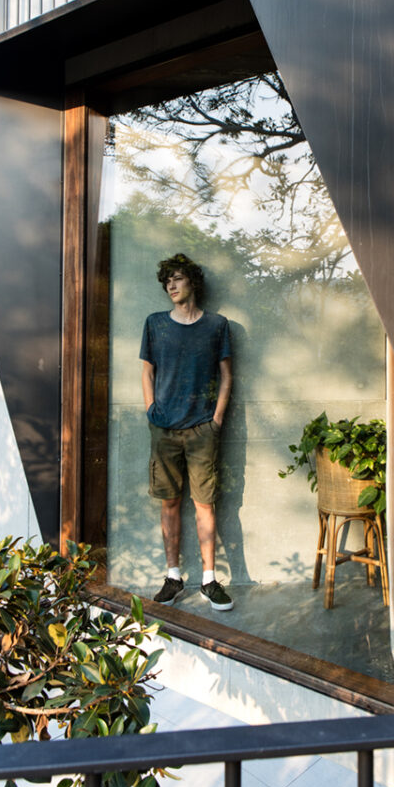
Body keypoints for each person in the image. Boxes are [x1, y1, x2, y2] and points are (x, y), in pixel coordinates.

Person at [140, 252, 234, 611]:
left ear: (192, 281)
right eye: (167, 281)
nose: (171, 285)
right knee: (169, 501)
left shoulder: (217, 325)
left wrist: (217, 419)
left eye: (177, 278)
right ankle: (173, 577)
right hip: (164, 429)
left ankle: (209, 580)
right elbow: (147, 371)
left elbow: (226, 375)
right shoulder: (155, 323)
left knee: (204, 503)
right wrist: (151, 409)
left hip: (202, 430)